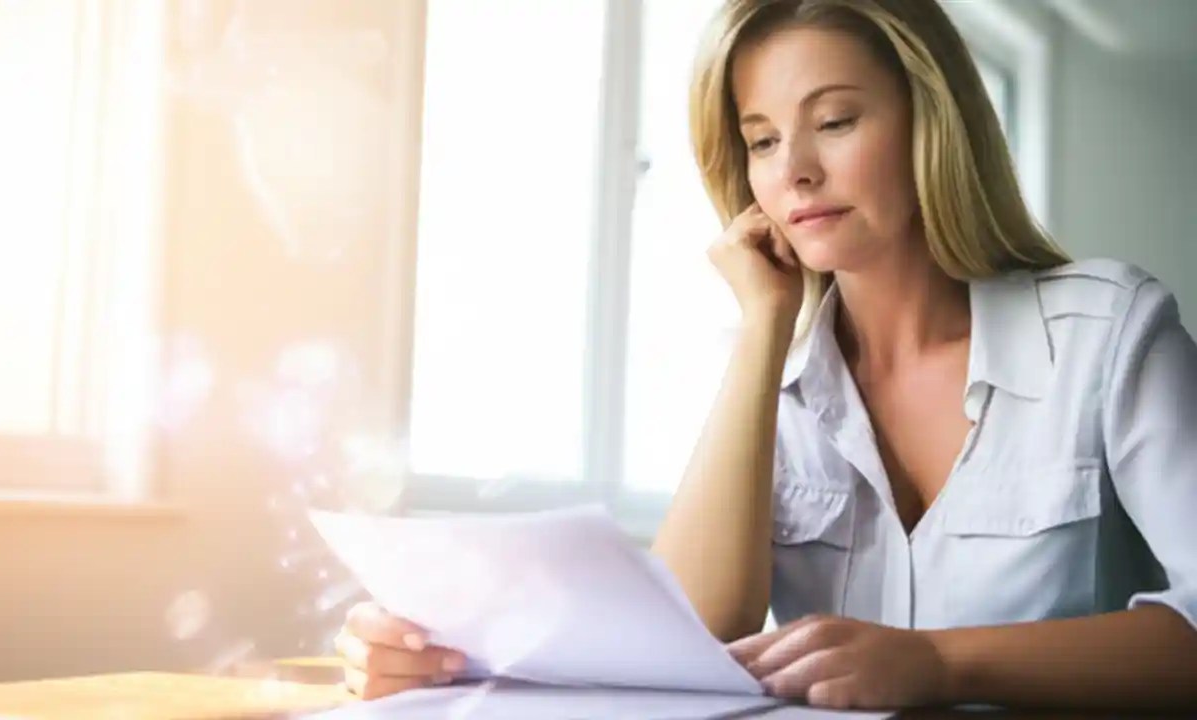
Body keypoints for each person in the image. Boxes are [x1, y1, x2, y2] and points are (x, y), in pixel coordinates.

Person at [331, 0, 1197, 710]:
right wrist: (762, 327)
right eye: (763, 140)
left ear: (934, 124)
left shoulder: (1110, 333)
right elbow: (695, 635)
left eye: (835, 121)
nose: (796, 172)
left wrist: (938, 662)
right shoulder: (771, 373)